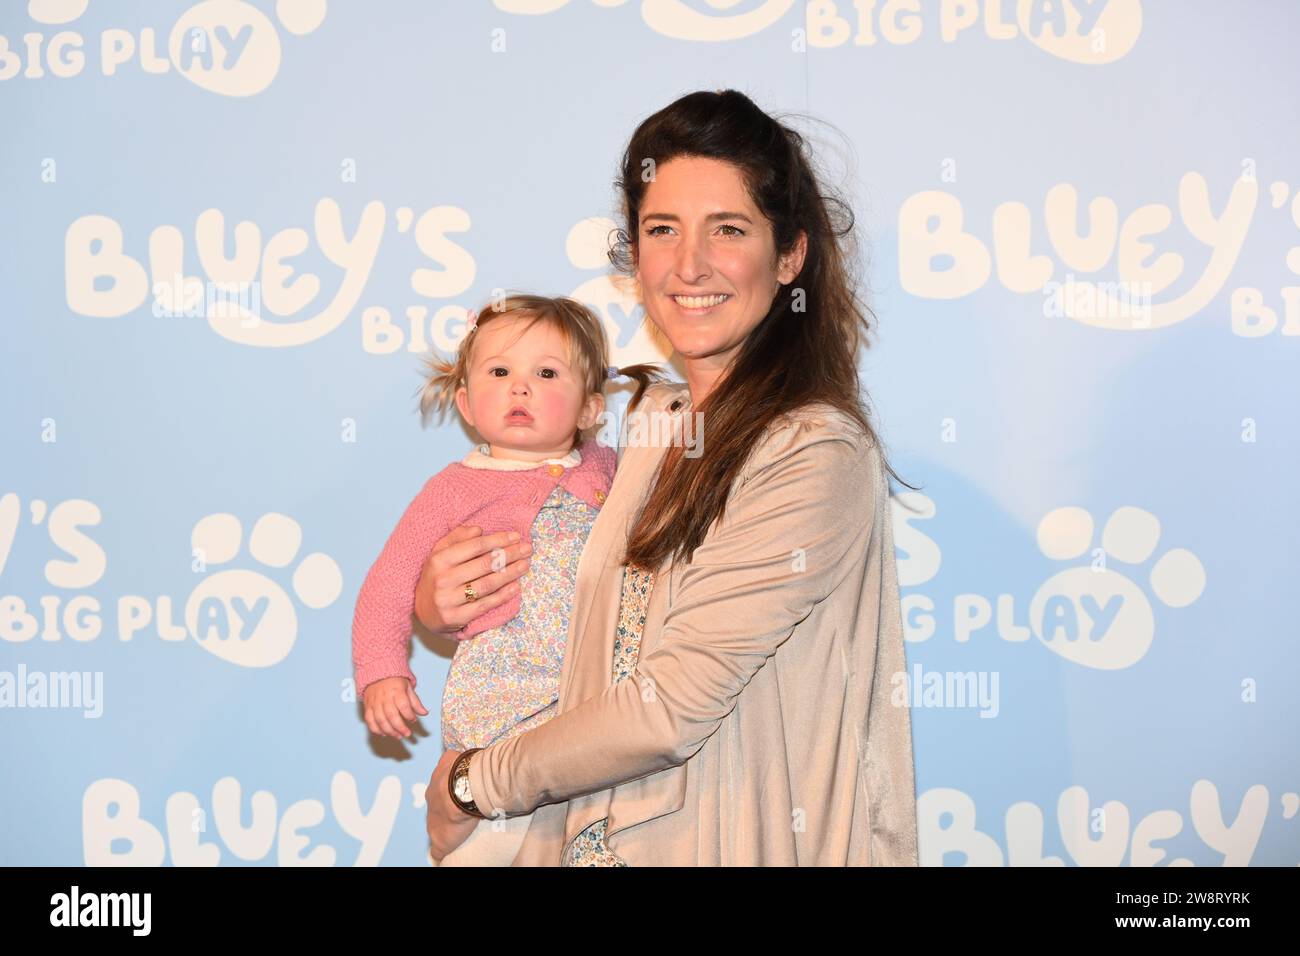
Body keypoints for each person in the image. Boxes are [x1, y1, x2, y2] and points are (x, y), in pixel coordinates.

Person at [420, 90, 920, 866]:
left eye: (728, 229)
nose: (690, 265)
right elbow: (579, 644)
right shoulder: (654, 427)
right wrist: (440, 602)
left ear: (790, 255)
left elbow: (669, 707)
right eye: (662, 230)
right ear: (635, 253)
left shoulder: (815, 451)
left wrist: (473, 784)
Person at [350, 293, 662, 865]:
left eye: (546, 373)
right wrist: (381, 674)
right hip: (500, 696)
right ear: (467, 403)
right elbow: (388, 583)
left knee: (579, 827)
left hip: (591, 696)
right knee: (492, 841)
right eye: (500, 372)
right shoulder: (453, 489)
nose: (520, 388)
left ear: (591, 409)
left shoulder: (608, 468)